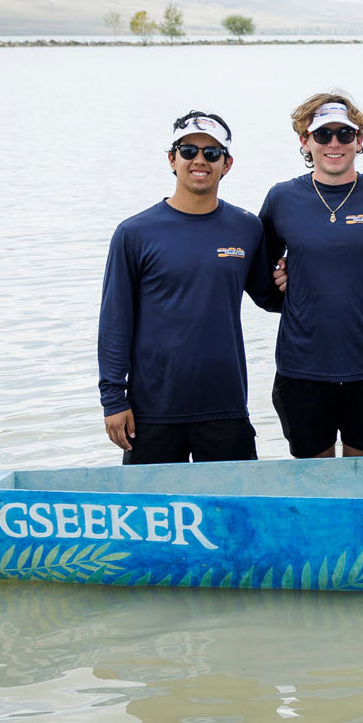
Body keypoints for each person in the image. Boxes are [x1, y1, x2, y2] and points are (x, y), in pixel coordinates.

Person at [98, 111, 278, 464]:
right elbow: (115, 323)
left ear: (226, 164)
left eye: (212, 154)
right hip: (152, 411)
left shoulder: (246, 228)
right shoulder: (134, 233)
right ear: (172, 159)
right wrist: (113, 400)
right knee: (150, 516)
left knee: (235, 515)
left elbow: (272, 298)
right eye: (189, 150)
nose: (200, 160)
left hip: (225, 405)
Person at [260, 93, 363, 459]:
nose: (334, 144)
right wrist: (284, 292)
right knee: (316, 487)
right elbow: (259, 275)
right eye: (323, 134)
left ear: (359, 142)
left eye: (345, 134)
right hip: (303, 368)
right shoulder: (282, 199)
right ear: (305, 141)